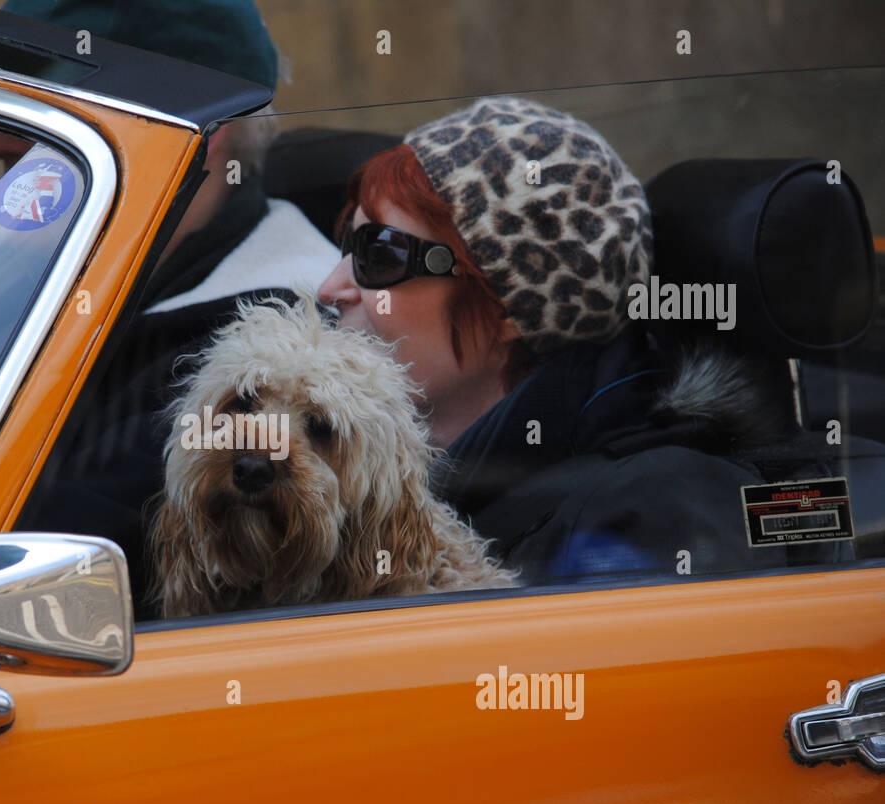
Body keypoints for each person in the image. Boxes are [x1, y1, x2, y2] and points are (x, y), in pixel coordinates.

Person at [317, 95, 843, 584]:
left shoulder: (644, 517)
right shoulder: (395, 482)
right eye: (347, 242)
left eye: (378, 253)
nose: (331, 287)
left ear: (508, 306)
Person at [3, 0, 340, 602]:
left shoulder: (266, 354)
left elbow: (37, 550)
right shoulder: (27, 285)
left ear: (191, 128)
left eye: (42, 105)